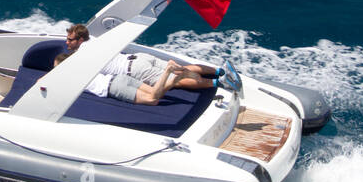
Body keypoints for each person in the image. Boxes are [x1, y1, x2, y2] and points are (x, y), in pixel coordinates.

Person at [54, 51, 232, 105]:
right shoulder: (88, 61)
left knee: (154, 99)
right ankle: (220, 72)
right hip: (123, 75)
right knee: (158, 93)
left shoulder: (71, 77)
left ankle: (171, 77)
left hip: (116, 85)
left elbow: (50, 84)